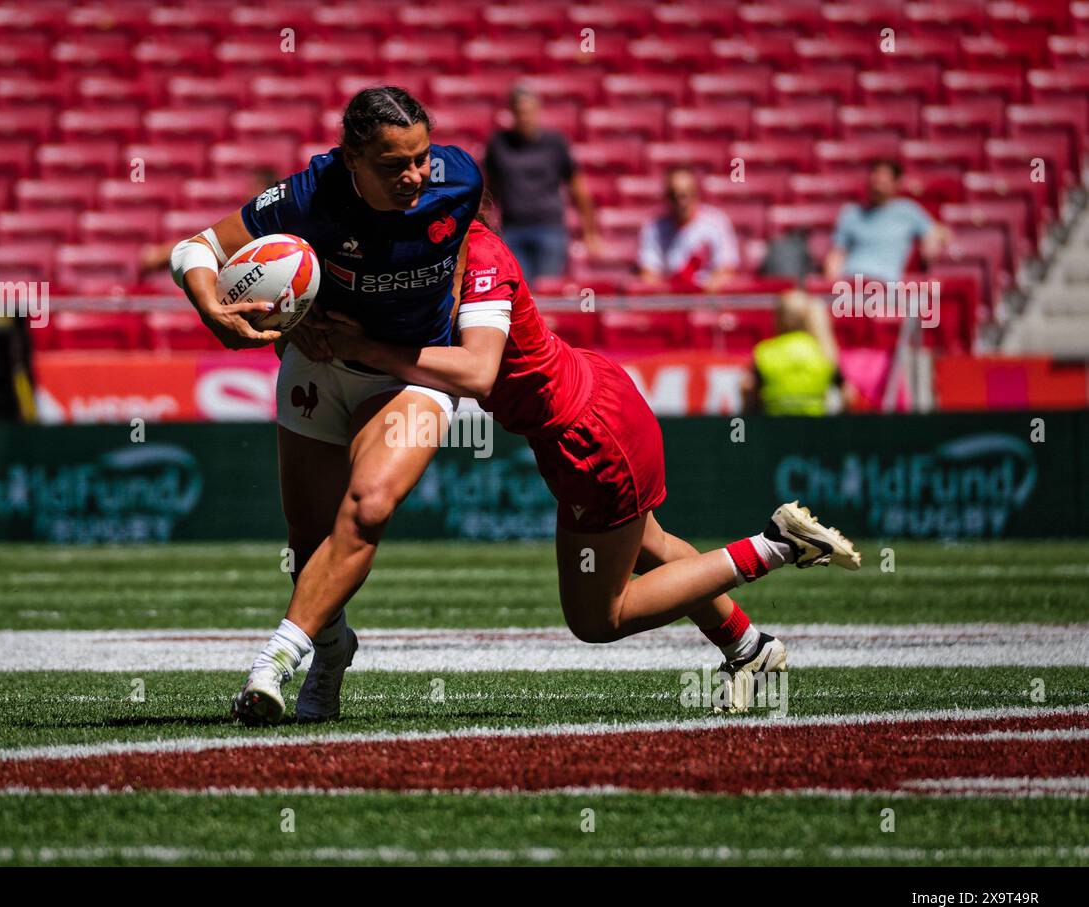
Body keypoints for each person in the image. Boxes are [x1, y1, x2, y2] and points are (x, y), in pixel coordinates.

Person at [323, 220, 861, 715]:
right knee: (654, 545)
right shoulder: (454, 246)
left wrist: (365, 349)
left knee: (597, 619)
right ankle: (749, 650)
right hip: (593, 403)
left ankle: (778, 544)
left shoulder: (476, 257)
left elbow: (476, 374)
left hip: (589, 437)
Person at [170, 87, 484, 725]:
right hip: (319, 368)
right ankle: (333, 649)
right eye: (393, 164)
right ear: (350, 160)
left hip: (412, 373)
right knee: (308, 544)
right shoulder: (311, 194)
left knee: (368, 506)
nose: (415, 176)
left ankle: (273, 662)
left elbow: (464, 252)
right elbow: (194, 250)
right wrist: (214, 310)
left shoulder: (461, 180)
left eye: (421, 158)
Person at [483, 85, 601, 282]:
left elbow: (577, 187)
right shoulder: (498, 144)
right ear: (512, 113)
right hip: (512, 229)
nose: (525, 117)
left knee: (548, 291)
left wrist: (590, 231)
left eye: (529, 112)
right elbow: (489, 189)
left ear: (538, 110)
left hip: (549, 229)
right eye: (520, 112)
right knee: (518, 290)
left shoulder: (555, 143)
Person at [823, 159, 950, 283]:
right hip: (851, 283)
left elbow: (938, 232)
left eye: (883, 183)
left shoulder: (908, 211)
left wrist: (931, 240)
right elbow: (836, 254)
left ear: (895, 184)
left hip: (886, 286)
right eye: (875, 181)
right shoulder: (851, 213)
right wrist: (833, 286)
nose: (878, 187)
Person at [743, 290, 856, 415]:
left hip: (772, 429)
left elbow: (748, 389)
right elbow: (849, 394)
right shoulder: (825, 351)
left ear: (779, 318)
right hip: (817, 430)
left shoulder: (764, 352)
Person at [637, 166, 739, 291]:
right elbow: (649, 273)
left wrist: (702, 294)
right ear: (667, 197)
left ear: (696, 194)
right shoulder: (654, 228)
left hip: (709, 300)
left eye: (686, 194)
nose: (682, 202)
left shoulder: (716, 223)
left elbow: (725, 269)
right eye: (675, 196)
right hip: (671, 301)